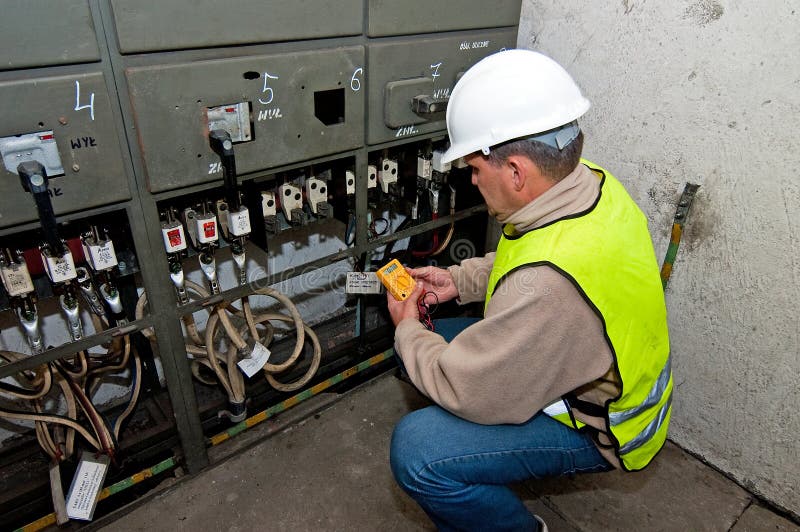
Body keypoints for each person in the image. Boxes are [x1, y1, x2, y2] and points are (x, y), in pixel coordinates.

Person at [386, 49, 672, 532]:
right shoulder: (592, 185)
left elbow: (466, 384)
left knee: (419, 451)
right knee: (419, 355)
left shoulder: (548, 288)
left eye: (475, 170)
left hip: (600, 425)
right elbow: (535, 253)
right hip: (593, 365)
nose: (472, 181)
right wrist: (459, 280)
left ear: (516, 172)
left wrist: (407, 325)